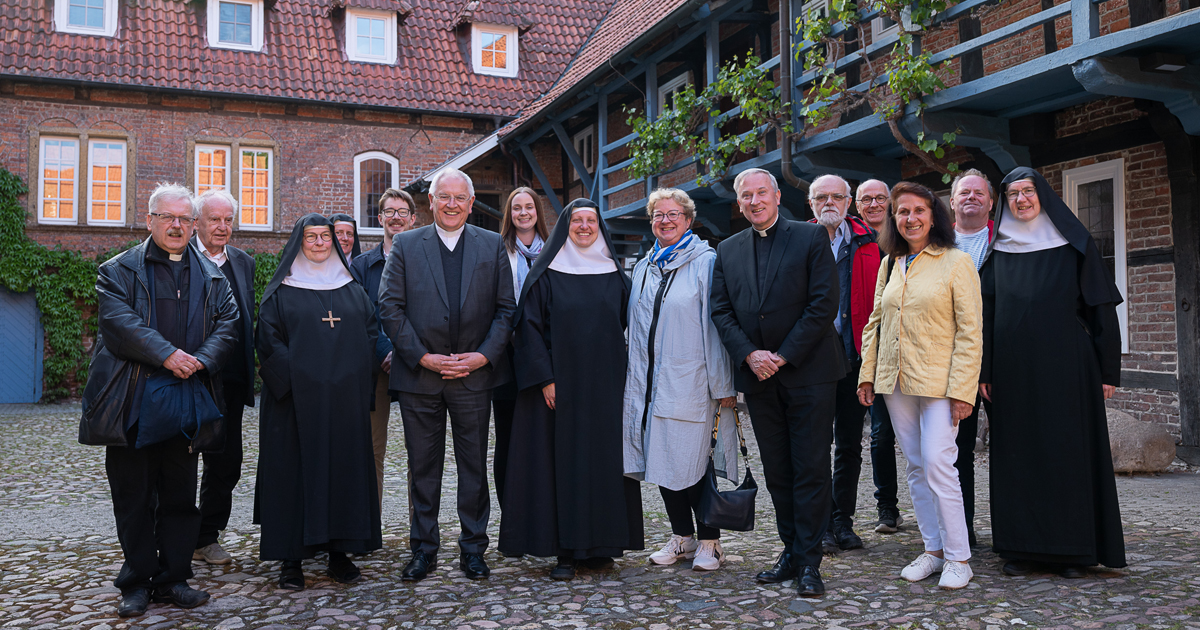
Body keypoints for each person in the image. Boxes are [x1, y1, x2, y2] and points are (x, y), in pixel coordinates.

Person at [80, 183, 238, 617]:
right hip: (133, 398)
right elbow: (118, 324)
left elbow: (229, 322)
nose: (177, 225)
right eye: (168, 217)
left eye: (185, 219)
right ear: (150, 220)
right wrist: (168, 355)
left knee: (179, 496)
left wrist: (199, 361)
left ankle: (174, 578)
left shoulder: (212, 275)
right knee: (133, 497)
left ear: (193, 225)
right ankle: (136, 581)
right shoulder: (118, 270)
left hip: (186, 399)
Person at [980, 167, 1126, 578]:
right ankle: (1020, 548)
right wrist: (984, 371)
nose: (1021, 200)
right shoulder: (999, 250)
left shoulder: (1074, 244)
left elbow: (1100, 308)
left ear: (1042, 194)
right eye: (1012, 194)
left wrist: (1107, 370)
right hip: (1011, 371)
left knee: (1067, 455)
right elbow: (986, 314)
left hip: (1068, 368)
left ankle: (1072, 552)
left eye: (1027, 192)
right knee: (1017, 457)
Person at [710, 168, 844, 598]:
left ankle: (810, 561)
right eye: (745, 195)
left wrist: (782, 355)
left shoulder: (810, 238)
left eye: (760, 193)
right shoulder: (727, 249)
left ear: (776, 194)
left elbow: (824, 304)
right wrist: (750, 355)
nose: (753, 201)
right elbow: (721, 311)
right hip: (759, 378)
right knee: (778, 472)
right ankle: (790, 550)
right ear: (739, 202)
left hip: (809, 373)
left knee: (810, 467)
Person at [378, 168, 515, 582]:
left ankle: (473, 549)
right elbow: (389, 307)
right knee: (423, 468)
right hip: (421, 378)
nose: (452, 204)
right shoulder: (405, 244)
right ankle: (423, 549)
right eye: (444, 197)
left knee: (473, 467)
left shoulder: (492, 246)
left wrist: (481, 357)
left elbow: (507, 311)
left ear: (471, 204)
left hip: (473, 377)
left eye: (460, 198)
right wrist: (422, 357)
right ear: (431, 202)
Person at [499, 198, 643, 580]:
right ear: (565, 227)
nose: (583, 227)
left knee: (602, 465)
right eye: (576, 221)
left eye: (590, 221)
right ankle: (563, 550)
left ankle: (602, 547)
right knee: (558, 465)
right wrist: (545, 378)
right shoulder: (545, 275)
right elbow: (526, 329)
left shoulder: (617, 275)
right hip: (558, 388)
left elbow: (635, 330)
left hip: (606, 388)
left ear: (600, 227)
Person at [856, 181, 982, 590]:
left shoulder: (956, 262)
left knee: (939, 464)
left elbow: (970, 331)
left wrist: (964, 390)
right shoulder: (891, 263)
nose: (910, 218)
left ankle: (960, 556)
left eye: (918, 211)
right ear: (894, 219)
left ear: (933, 216)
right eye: (902, 211)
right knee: (914, 466)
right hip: (895, 381)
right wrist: (868, 373)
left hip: (940, 383)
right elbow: (876, 321)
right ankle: (933, 550)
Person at [254, 214, 381, 590]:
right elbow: (268, 340)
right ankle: (291, 560)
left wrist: (353, 378)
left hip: (343, 401)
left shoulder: (352, 288)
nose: (320, 243)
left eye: (325, 236)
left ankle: (339, 554)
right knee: (293, 475)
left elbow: (369, 334)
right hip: (295, 402)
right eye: (311, 237)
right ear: (298, 242)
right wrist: (300, 379)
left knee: (342, 473)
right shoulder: (281, 290)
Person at [623, 189, 738, 572]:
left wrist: (723, 388)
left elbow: (716, 327)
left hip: (692, 380)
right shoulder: (644, 266)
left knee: (695, 461)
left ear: (689, 220)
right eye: (658, 215)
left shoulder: (706, 263)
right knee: (662, 460)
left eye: (674, 214)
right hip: (648, 383)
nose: (665, 221)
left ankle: (711, 541)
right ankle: (682, 538)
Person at [807, 174, 881, 554]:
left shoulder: (870, 242)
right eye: (821, 197)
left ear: (849, 202)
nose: (829, 203)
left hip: (855, 357)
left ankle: (843, 521)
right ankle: (820, 523)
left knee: (850, 444)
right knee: (816, 445)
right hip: (812, 362)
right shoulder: (799, 240)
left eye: (837, 196)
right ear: (811, 204)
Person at [191, 189, 257, 566]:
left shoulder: (243, 262)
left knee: (227, 461)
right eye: (214, 219)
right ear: (198, 222)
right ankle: (171, 534)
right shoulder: (182, 258)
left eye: (228, 219)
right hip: (189, 378)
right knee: (179, 461)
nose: (221, 227)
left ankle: (206, 535)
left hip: (230, 380)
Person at [350, 188, 416, 508]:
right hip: (377, 368)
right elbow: (361, 315)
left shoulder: (425, 262)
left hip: (417, 366)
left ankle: (421, 532)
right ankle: (370, 527)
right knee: (373, 449)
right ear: (380, 219)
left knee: (420, 451)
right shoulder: (362, 266)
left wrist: (406, 351)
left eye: (402, 212)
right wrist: (385, 351)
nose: (396, 218)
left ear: (413, 218)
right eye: (389, 212)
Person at [948, 168, 997, 548]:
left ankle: (1014, 528)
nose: (971, 198)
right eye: (964, 192)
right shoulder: (937, 243)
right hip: (950, 362)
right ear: (952, 202)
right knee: (956, 449)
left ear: (991, 202)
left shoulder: (1008, 240)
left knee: (1010, 444)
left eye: (979, 193)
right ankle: (960, 527)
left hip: (1000, 358)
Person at [492, 187, 550, 507]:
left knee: (539, 435)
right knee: (508, 436)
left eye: (529, 207)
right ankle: (510, 511)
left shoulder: (553, 252)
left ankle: (539, 510)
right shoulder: (498, 251)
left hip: (542, 355)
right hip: (507, 354)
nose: (524, 213)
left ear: (538, 212)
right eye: (517, 208)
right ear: (509, 214)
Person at [856, 180, 904, 535]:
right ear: (856, 206)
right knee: (880, 435)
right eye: (865, 199)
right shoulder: (848, 240)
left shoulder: (903, 241)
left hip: (904, 352)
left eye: (880, 198)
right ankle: (886, 507)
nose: (873, 204)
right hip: (864, 352)